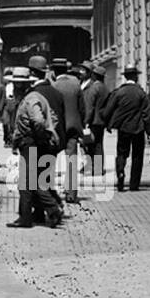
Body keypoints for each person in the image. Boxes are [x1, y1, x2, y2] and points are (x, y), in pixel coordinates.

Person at [6, 67, 64, 229]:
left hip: (30, 143)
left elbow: (38, 120)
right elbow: (53, 117)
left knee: (27, 183)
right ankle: (34, 214)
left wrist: (38, 136)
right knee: (31, 181)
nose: (15, 87)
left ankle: (49, 210)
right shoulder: (35, 97)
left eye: (18, 84)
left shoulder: (31, 99)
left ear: (24, 85)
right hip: (31, 143)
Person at [103, 63, 150, 191]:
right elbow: (147, 113)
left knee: (121, 153)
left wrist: (107, 123)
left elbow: (108, 110)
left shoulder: (119, 92)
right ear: (135, 77)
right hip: (138, 128)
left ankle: (120, 173)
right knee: (137, 156)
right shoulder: (141, 93)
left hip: (123, 128)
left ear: (126, 77)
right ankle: (134, 183)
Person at [51, 58, 86, 204]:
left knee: (50, 160)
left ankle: (49, 193)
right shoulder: (76, 85)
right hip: (72, 128)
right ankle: (71, 193)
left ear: (54, 71)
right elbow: (82, 109)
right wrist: (81, 124)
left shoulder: (53, 86)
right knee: (71, 161)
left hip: (56, 129)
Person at [81, 64, 108, 179]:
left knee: (91, 145)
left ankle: (94, 167)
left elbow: (90, 107)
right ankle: (99, 168)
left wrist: (86, 122)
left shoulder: (94, 88)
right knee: (99, 145)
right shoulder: (105, 88)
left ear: (94, 75)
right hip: (101, 120)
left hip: (93, 121)